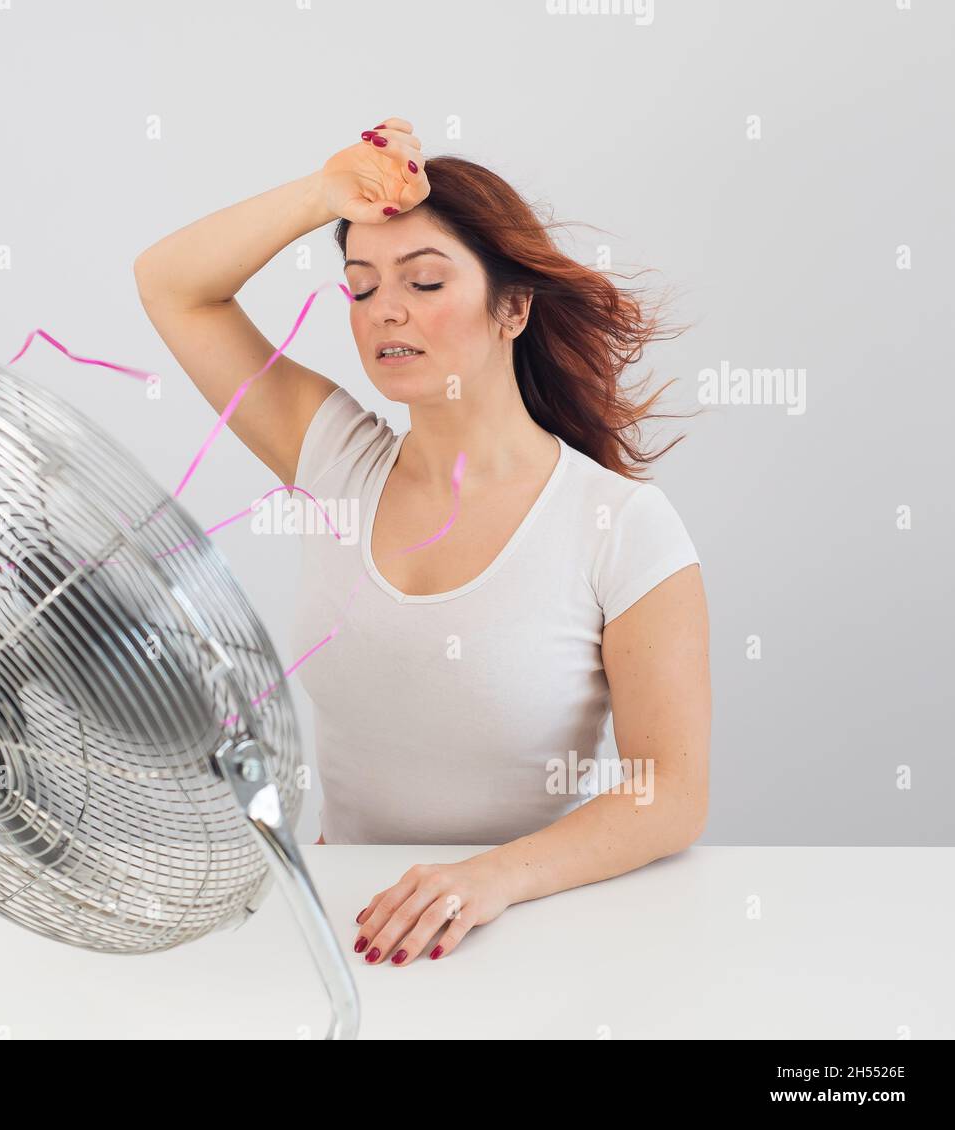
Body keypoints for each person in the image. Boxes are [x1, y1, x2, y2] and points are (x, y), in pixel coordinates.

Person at [133, 116, 710, 967]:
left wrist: (488, 880)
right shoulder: (333, 459)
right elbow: (170, 285)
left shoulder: (620, 524)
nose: (386, 311)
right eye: (361, 288)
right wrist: (323, 194)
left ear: (514, 306)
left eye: (426, 281)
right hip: (351, 928)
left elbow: (671, 792)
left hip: (533, 932)